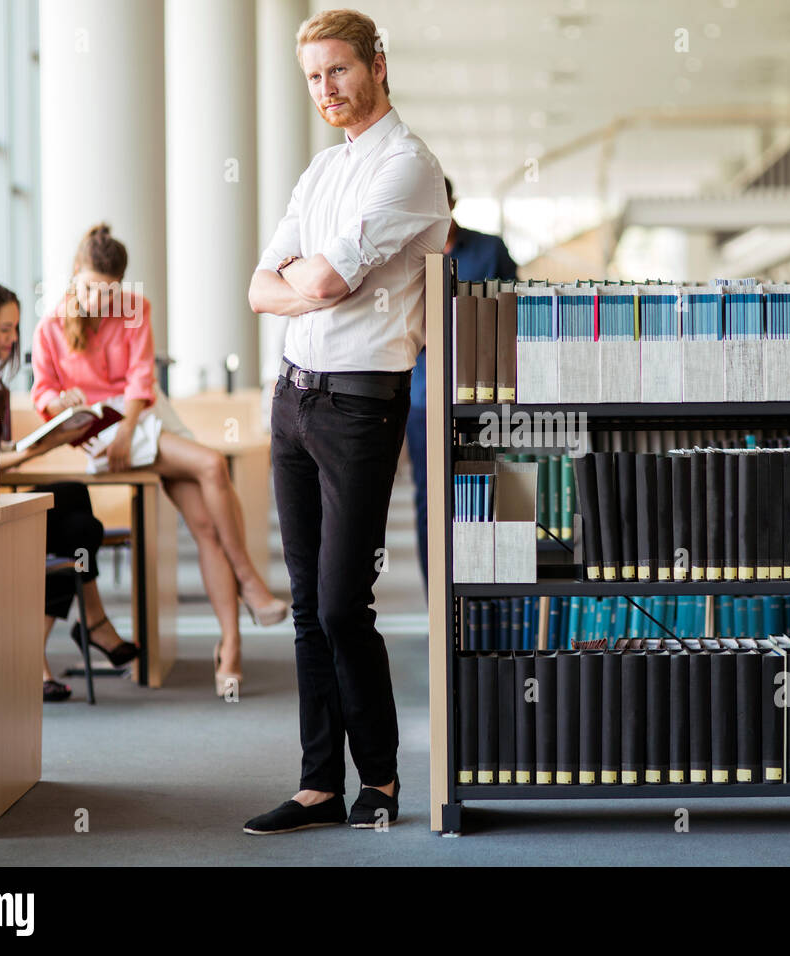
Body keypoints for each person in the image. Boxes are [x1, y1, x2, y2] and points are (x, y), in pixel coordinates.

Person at [243, 8, 449, 834]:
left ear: (376, 65)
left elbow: (321, 283)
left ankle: (385, 780)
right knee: (303, 605)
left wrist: (310, 283)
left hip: (362, 404)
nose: (325, 90)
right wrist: (311, 282)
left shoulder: (409, 169)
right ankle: (318, 783)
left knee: (340, 604)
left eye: (338, 71)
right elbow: (264, 288)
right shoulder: (321, 172)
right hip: (293, 400)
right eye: (313, 77)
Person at [32, 224, 289, 698]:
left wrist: (128, 427)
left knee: (206, 525)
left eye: (109, 292)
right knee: (212, 465)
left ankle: (230, 645)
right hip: (99, 436)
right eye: (90, 288)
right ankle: (250, 584)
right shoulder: (49, 328)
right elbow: (41, 392)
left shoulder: (135, 310)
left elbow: (139, 381)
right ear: (75, 274)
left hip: (143, 421)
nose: (99, 301)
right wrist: (61, 403)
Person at [0, 282, 139, 703]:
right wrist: (46, 445)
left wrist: (39, 442)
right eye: (4, 329)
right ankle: (73, 633)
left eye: (15, 328)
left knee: (73, 499)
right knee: (79, 529)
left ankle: (80, 629)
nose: (13, 339)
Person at [406, 176, 518, 586]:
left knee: (487, 487)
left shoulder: (490, 249)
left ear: (453, 202)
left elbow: (513, 315)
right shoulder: (408, 257)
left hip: (487, 392)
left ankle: (486, 589)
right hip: (425, 396)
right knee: (431, 497)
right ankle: (437, 598)